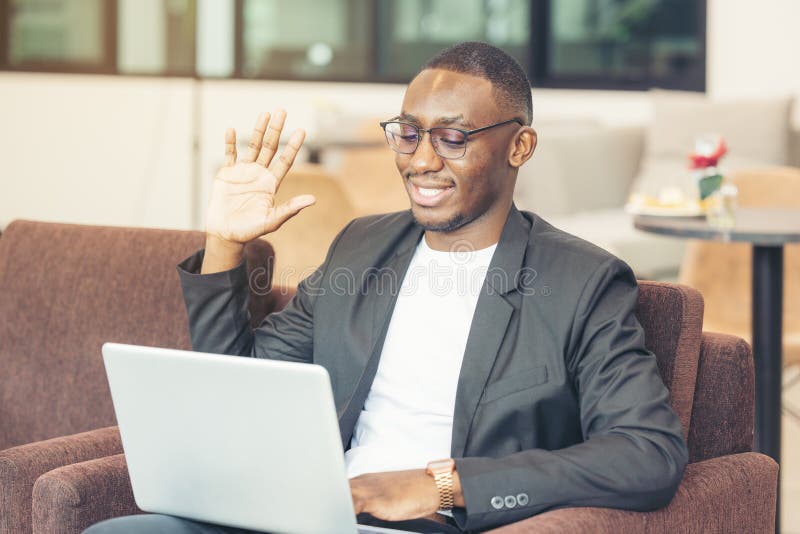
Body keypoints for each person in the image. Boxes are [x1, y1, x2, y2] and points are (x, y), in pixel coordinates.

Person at [86, 42, 687, 534]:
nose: (420, 161)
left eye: (453, 138)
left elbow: (646, 453)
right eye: (407, 133)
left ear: (519, 146)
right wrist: (224, 245)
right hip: (309, 515)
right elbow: (242, 390)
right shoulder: (363, 247)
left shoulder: (580, 281)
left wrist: (440, 485)